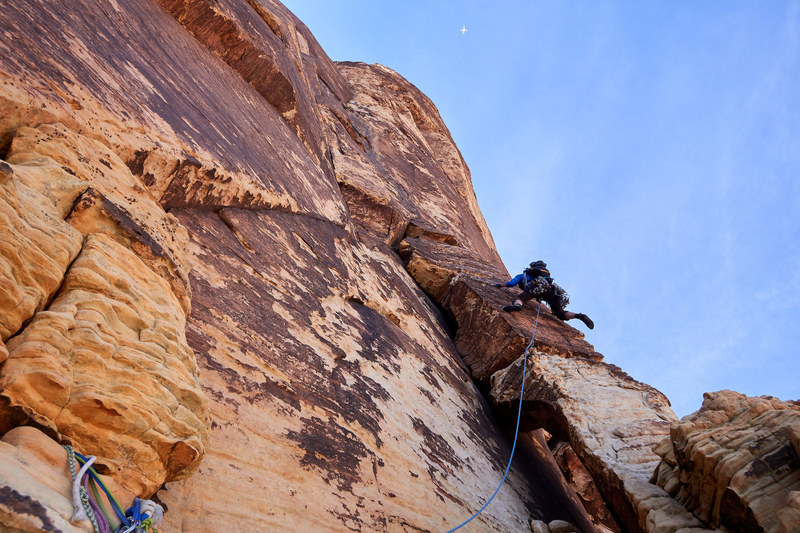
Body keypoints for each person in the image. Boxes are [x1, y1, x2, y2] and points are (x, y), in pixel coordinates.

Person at [495, 260, 594, 329]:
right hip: (551, 289)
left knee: (520, 298)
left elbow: (511, 283)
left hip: (537, 287)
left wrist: (501, 285)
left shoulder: (522, 275)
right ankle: (579, 316)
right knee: (560, 314)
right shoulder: (544, 276)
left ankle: (517, 306)